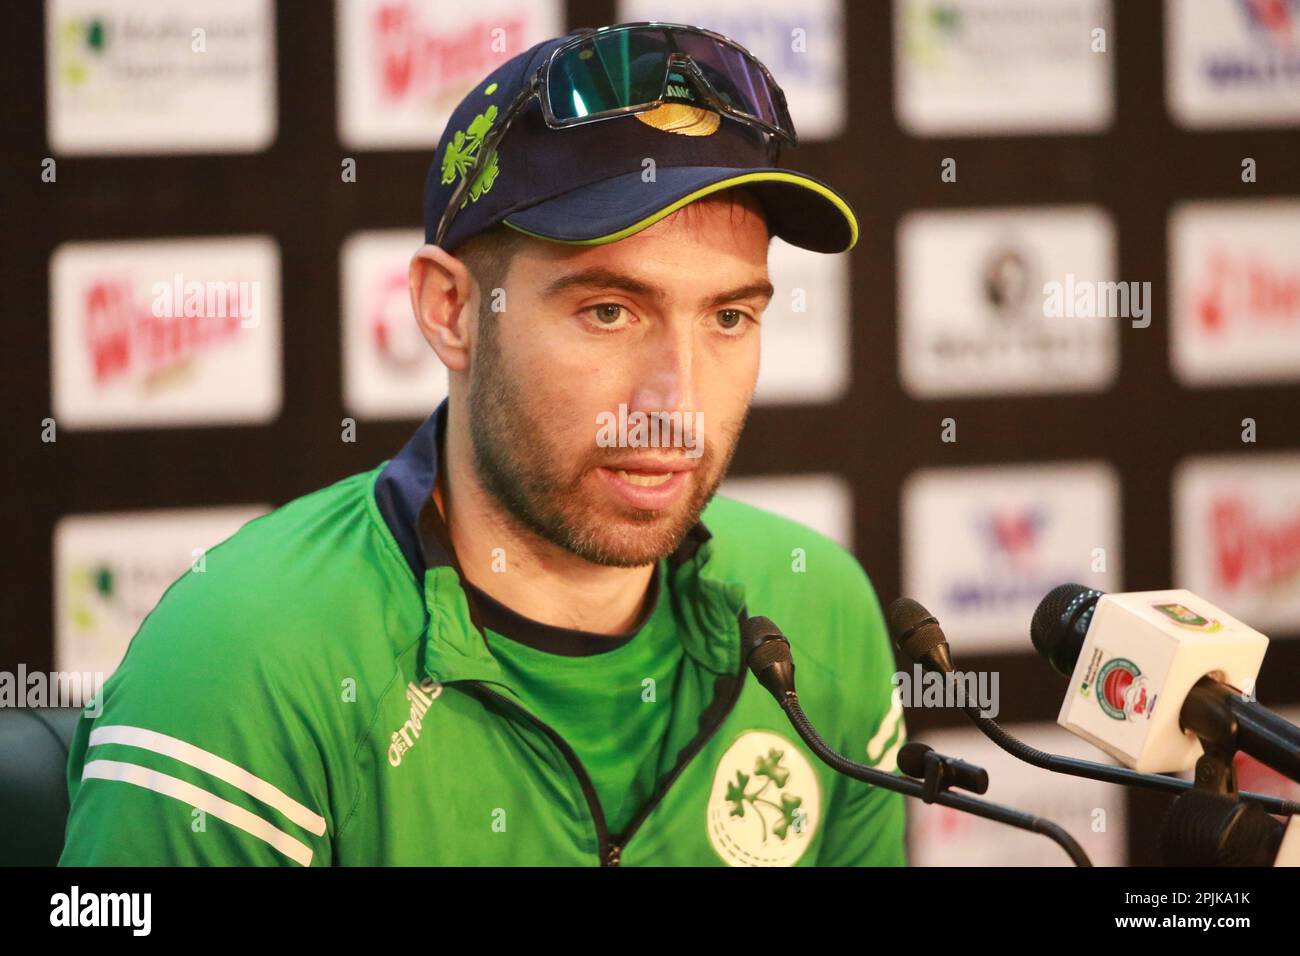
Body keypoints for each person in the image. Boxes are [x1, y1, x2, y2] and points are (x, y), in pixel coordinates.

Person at [59, 22, 906, 867]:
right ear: (450, 311)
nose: (676, 403)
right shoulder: (243, 666)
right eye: (608, 311)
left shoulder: (819, 616)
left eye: (729, 317)